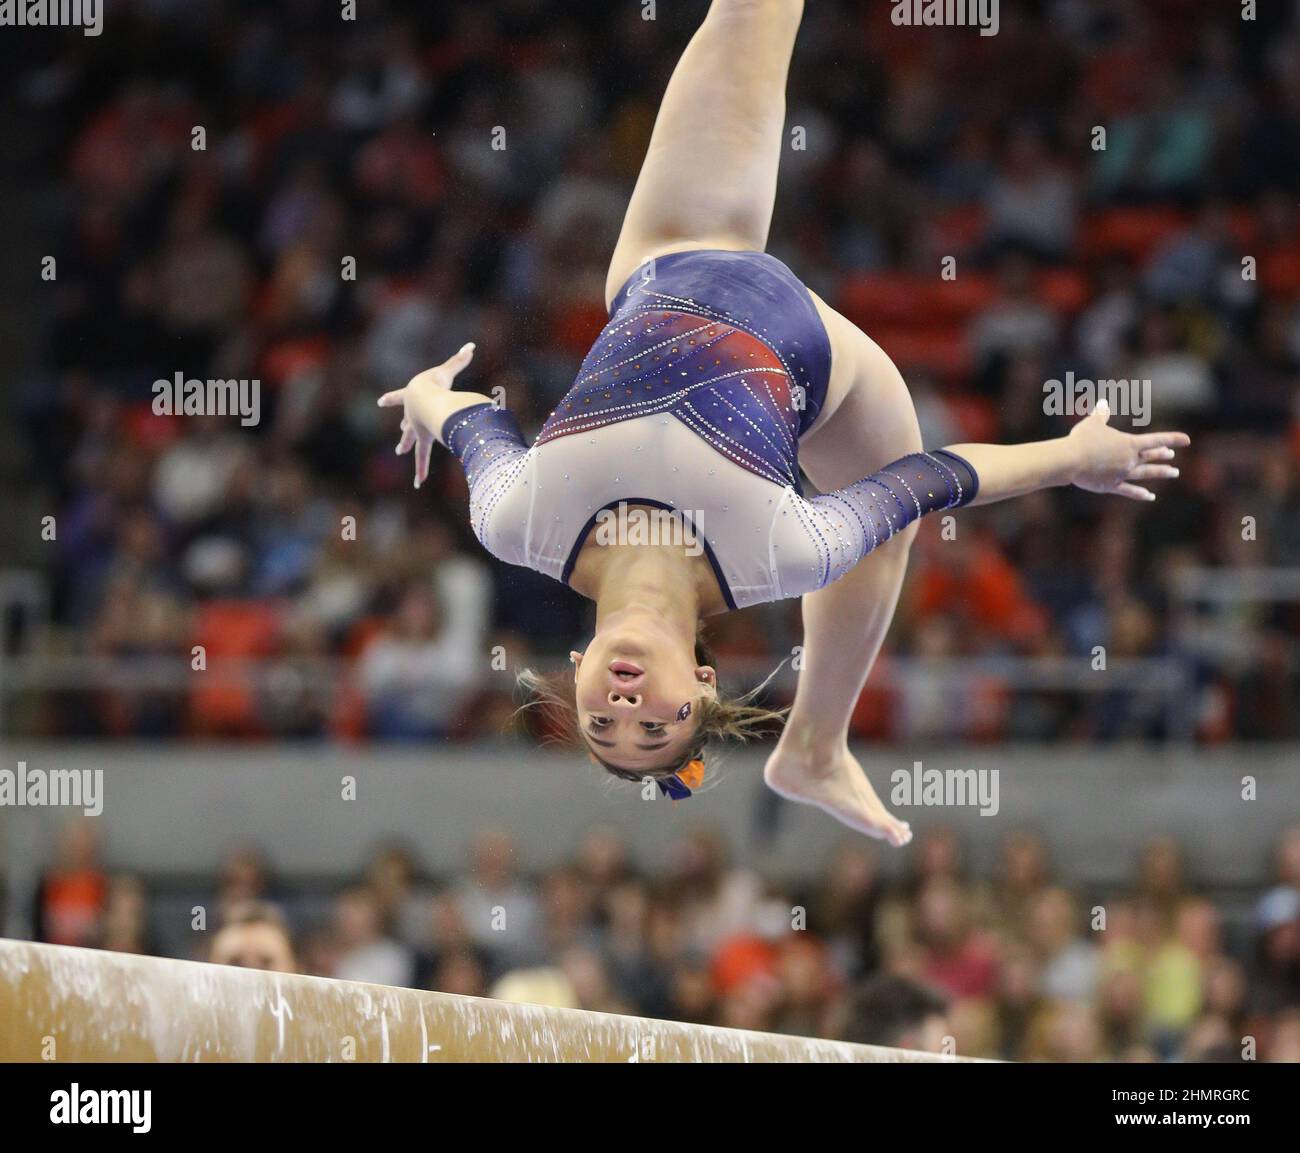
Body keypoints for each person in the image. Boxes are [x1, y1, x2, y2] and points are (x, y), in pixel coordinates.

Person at [378, 0, 1188, 846]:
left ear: (575, 673)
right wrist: (1071, 455)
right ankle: (817, 739)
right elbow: (931, 479)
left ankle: (811, 749)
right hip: (830, 365)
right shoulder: (779, 552)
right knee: (885, 531)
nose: (625, 713)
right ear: (699, 677)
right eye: (657, 727)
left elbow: (474, 425)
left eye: (602, 726)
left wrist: (428, 395)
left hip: (672, 249)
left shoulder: (520, 523)